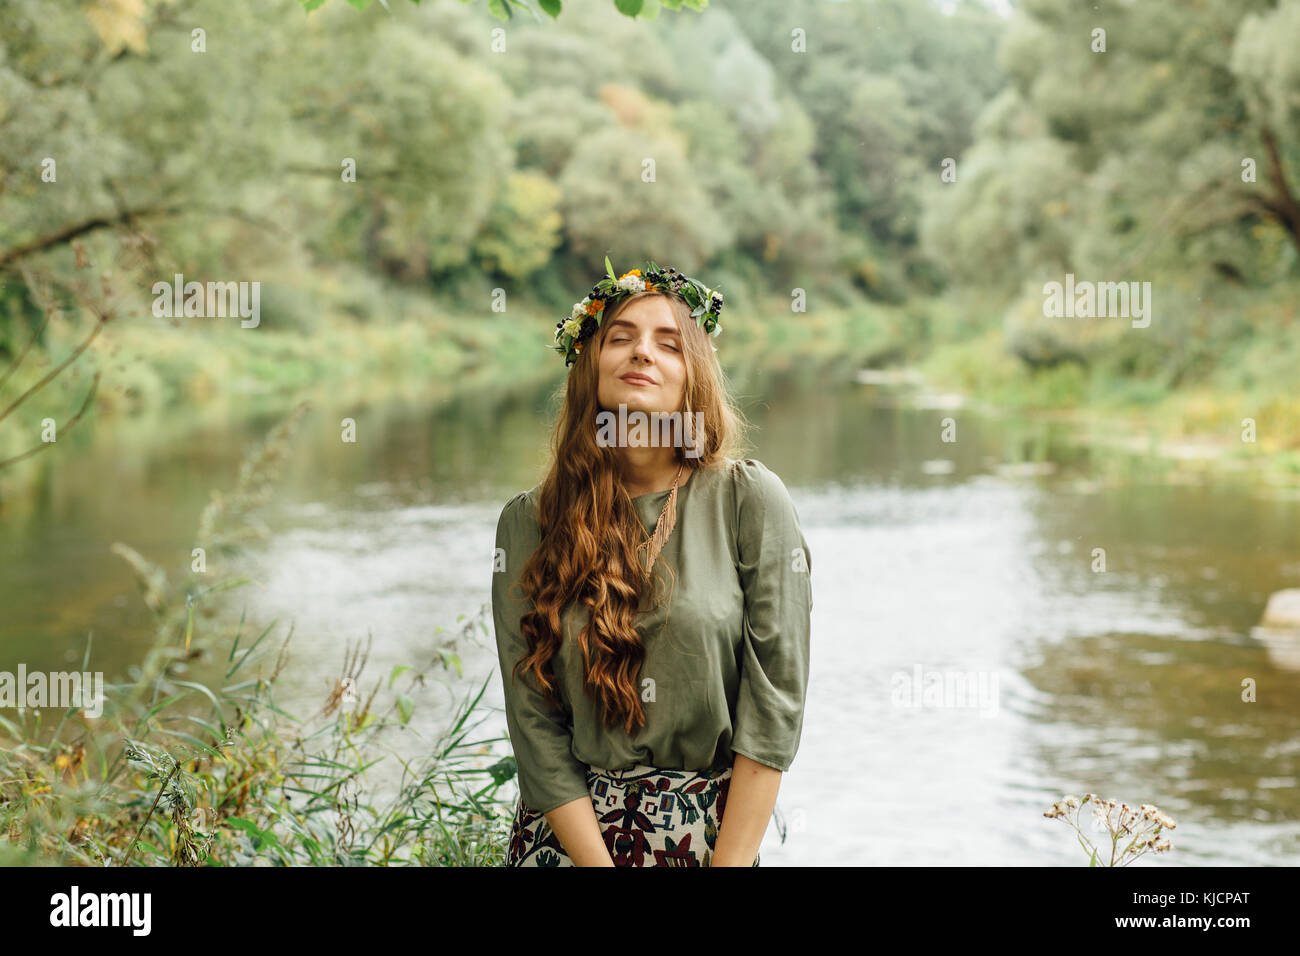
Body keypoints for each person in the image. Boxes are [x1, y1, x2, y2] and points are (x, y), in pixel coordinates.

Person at [492, 260, 813, 867]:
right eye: (621, 337)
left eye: (669, 343)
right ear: (589, 365)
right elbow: (533, 723)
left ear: (694, 376)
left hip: (711, 845)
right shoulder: (527, 524)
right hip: (564, 847)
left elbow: (774, 712)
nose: (643, 353)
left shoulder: (750, 501)